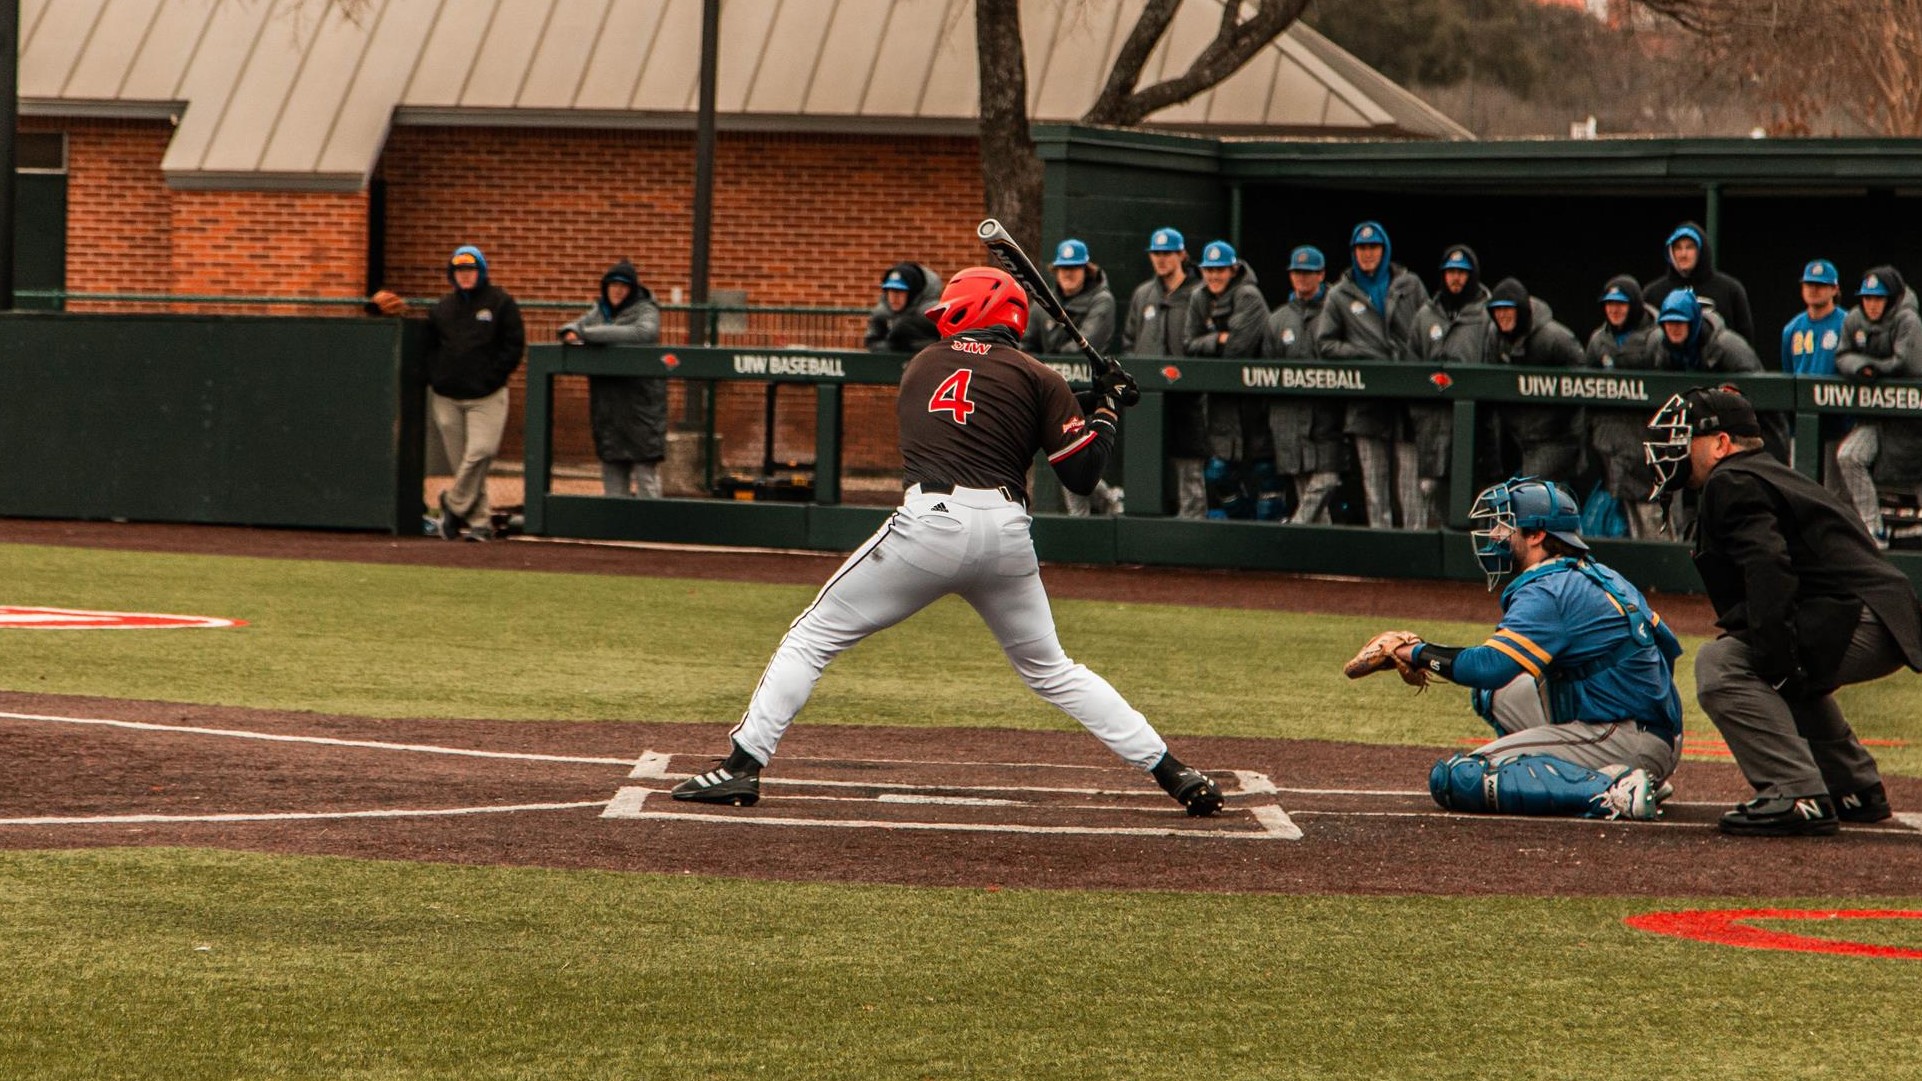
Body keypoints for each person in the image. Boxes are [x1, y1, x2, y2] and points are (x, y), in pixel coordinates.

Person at [670, 266, 1225, 817]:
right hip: (1007, 536)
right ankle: (1172, 771)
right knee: (1054, 671)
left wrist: (1088, 400)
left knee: (812, 637)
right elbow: (1079, 472)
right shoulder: (1039, 378)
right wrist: (1104, 409)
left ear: (970, 311)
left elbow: (989, 400)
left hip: (929, 527)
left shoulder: (922, 365)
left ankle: (743, 766)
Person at [1644, 386, 1922, 834]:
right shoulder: (1762, 472)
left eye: (1686, 437)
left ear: (1721, 443)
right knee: (1776, 660)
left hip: (1857, 616)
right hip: (1876, 614)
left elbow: (1768, 566)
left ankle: (1795, 792)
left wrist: (1777, 656)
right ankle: (1852, 786)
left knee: (1725, 663)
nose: (1673, 448)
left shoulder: (1730, 480)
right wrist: (1780, 659)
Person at [1349, 477, 1682, 821]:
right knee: (1494, 693)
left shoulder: (1549, 590)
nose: (1494, 535)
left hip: (1623, 734)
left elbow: (1489, 666)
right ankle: (1630, 771)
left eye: (1504, 525)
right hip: (1650, 730)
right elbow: (1667, 651)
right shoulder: (1596, 574)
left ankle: (1613, 787)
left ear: (1537, 534)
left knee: (1458, 779)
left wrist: (1415, 652)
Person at [1316, 221, 1429, 529]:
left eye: (1373, 248)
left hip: (1407, 397)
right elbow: (1324, 344)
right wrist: (1363, 355)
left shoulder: (1410, 285)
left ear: (1385, 250)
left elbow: (1427, 331)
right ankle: (1384, 552)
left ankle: (1415, 546)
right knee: (1375, 485)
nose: (1367, 254)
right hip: (1367, 401)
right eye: (1361, 248)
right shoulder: (1340, 293)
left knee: (1410, 484)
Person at [425, 245, 525, 542]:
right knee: (462, 463)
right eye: (459, 271)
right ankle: (480, 523)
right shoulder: (442, 308)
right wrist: (436, 376)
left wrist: (492, 377)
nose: (465, 276)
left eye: (470, 270)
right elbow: (429, 349)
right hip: (447, 396)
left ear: (481, 272)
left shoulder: (500, 303)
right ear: (452, 275)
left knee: (481, 452)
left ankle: (452, 504)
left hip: (487, 395)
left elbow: (513, 345)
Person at [1025, 239, 1122, 517]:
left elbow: (1083, 346)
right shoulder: (1044, 301)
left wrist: (1047, 360)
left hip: (1090, 391)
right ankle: (1108, 497)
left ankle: (1081, 520)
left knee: (1076, 459)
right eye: (1063, 267)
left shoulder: (1102, 299)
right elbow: (1027, 344)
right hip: (1056, 391)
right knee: (1065, 459)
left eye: (1075, 267)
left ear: (1086, 269)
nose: (1068, 273)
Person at [558, 260, 666, 498]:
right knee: (613, 478)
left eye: (624, 286)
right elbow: (572, 327)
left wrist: (587, 335)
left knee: (646, 476)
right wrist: (571, 330)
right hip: (607, 409)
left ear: (632, 289)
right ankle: (615, 532)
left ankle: (651, 531)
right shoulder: (600, 312)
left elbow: (643, 333)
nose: (618, 290)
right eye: (613, 285)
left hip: (641, 409)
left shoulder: (646, 309)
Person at [1182, 240, 1274, 519]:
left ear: (1233, 269)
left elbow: (1238, 348)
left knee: (1265, 476)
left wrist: (1211, 341)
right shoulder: (1199, 296)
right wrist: (1218, 339)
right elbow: (1188, 343)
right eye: (1209, 270)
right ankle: (1241, 526)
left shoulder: (1249, 295)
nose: (1214, 275)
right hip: (1219, 405)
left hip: (1256, 402)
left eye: (1220, 270)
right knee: (1219, 473)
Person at [1119, 227, 1205, 517]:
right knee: (1147, 460)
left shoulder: (1199, 292)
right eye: (1156, 253)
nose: (1161, 259)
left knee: (1188, 463)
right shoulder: (1144, 293)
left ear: (1182, 254)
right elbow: (1129, 340)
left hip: (1188, 394)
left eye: (1167, 253)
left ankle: (1192, 524)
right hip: (1149, 394)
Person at [1833, 267, 1922, 544]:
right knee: (1849, 455)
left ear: (1892, 299)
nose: (1871, 304)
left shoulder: (1908, 319)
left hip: (1913, 423)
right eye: (1867, 298)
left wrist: (1875, 368)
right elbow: (1843, 354)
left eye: (1878, 298)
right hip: (1877, 420)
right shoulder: (1854, 319)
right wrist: (1860, 367)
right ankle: (1874, 529)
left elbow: (1908, 363)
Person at [1404, 245, 1490, 529]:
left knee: (1473, 490)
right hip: (1432, 420)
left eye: (1462, 273)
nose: (1456, 278)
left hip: (1472, 421)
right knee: (1430, 487)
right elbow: (1411, 365)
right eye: (1451, 272)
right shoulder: (1425, 315)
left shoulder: (1485, 315)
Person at [1260, 245, 1344, 524]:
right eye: (1297, 272)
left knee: (1327, 479)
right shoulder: (1278, 319)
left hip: (1326, 416)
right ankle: (1321, 561)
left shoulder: (1335, 310)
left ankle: (1292, 532)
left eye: (1308, 273)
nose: (1302, 279)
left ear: (1321, 275)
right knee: (1309, 495)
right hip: (1289, 417)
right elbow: (1266, 372)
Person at [1477, 278, 1587, 489]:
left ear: (1521, 310)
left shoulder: (1554, 338)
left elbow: (1584, 386)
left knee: (1538, 502)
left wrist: (1576, 441)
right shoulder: (1494, 336)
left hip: (1554, 437)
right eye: (1497, 310)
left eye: (1508, 309)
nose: (1502, 315)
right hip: (1514, 436)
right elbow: (1488, 385)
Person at [1583, 276, 1665, 539]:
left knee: (1653, 525)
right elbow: (1585, 392)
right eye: (1609, 304)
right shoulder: (1599, 340)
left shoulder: (1655, 338)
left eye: (1621, 303)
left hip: (1647, 447)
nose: (1614, 309)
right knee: (1619, 526)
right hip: (1611, 448)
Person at [1641, 222, 1756, 345]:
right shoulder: (1653, 293)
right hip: (1668, 363)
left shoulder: (1730, 289)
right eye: (1678, 248)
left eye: (1689, 247)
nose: (1683, 254)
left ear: (1701, 250)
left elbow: (1745, 341)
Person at [1780, 259, 1846, 376]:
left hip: (1833, 392)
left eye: (1820, 285)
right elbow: (1788, 373)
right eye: (1809, 284)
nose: (1813, 289)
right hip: (1802, 393)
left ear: (1834, 289)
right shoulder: (1792, 328)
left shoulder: (1846, 323)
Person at [864, 262, 942, 353]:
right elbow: (872, 342)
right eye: (890, 290)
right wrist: (892, 346)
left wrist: (912, 346)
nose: (893, 297)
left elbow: (945, 344)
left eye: (900, 291)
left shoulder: (931, 314)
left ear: (913, 293)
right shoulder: (882, 313)